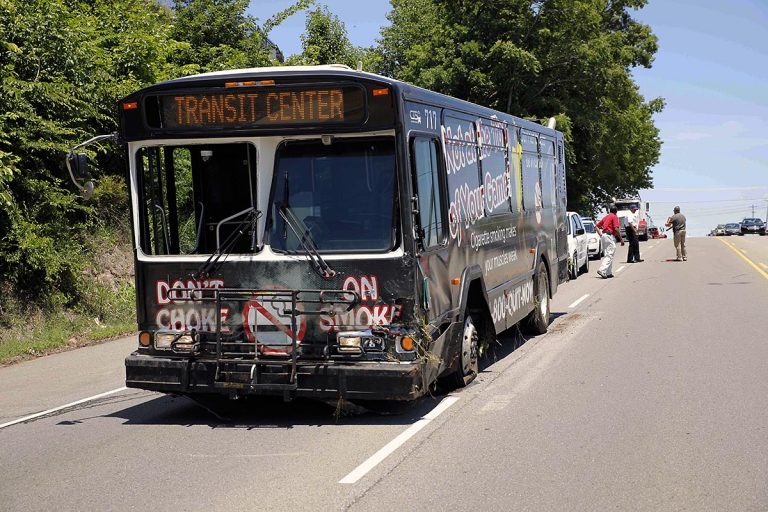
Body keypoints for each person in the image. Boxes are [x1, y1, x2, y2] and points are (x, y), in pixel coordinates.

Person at [596, 206, 624, 278]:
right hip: (609, 235)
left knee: (607, 254)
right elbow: (616, 228)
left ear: (610, 210)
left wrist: (600, 234)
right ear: (616, 212)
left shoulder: (606, 217)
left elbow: (597, 226)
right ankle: (602, 270)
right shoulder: (614, 216)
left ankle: (608, 273)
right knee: (610, 253)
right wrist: (621, 239)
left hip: (604, 235)